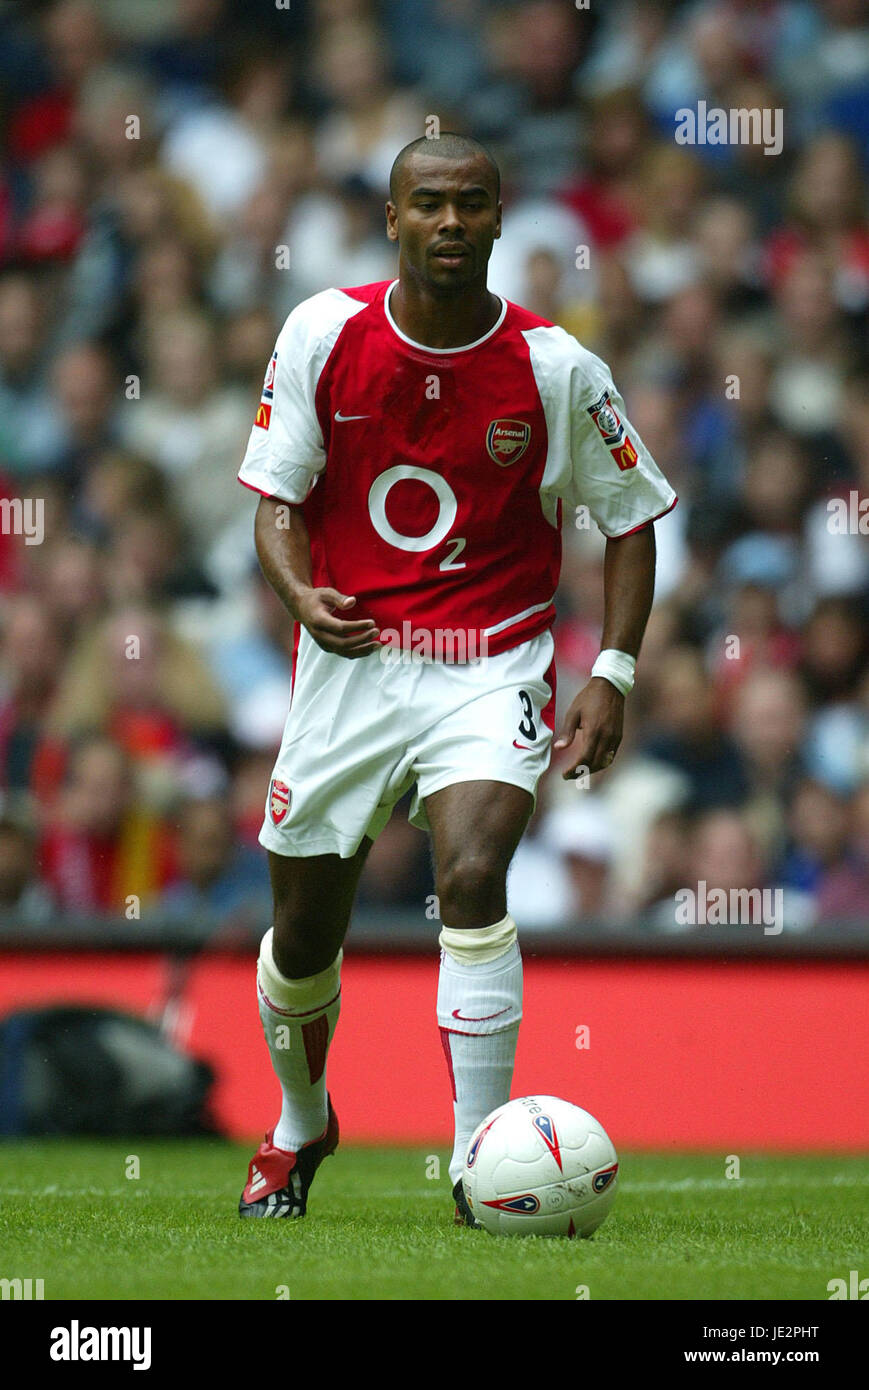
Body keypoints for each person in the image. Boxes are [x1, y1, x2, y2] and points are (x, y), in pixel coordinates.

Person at [235, 133, 677, 1223]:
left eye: (469, 205)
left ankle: (474, 1162)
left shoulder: (557, 366)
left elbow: (629, 520)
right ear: (391, 219)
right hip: (351, 664)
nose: (447, 222)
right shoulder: (322, 334)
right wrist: (299, 596)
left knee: (473, 877)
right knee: (303, 935)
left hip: (491, 660)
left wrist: (610, 669)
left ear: (495, 218)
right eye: (426, 204)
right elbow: (277, 498)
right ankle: (301, 1121)